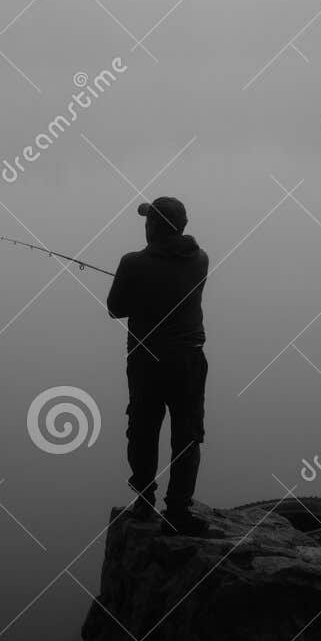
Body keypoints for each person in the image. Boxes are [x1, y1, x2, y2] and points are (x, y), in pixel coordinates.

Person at [106, 197, 209, 535]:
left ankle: (145, 500)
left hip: (146, 361)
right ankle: (178, 509)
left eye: (148, 222)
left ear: (153, 227)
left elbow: (115, 308)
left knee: (143, 430)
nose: (145, 227)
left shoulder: (132, 263)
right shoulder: (200, 260)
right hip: (188, 360)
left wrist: (139, 290)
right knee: (187, 435)